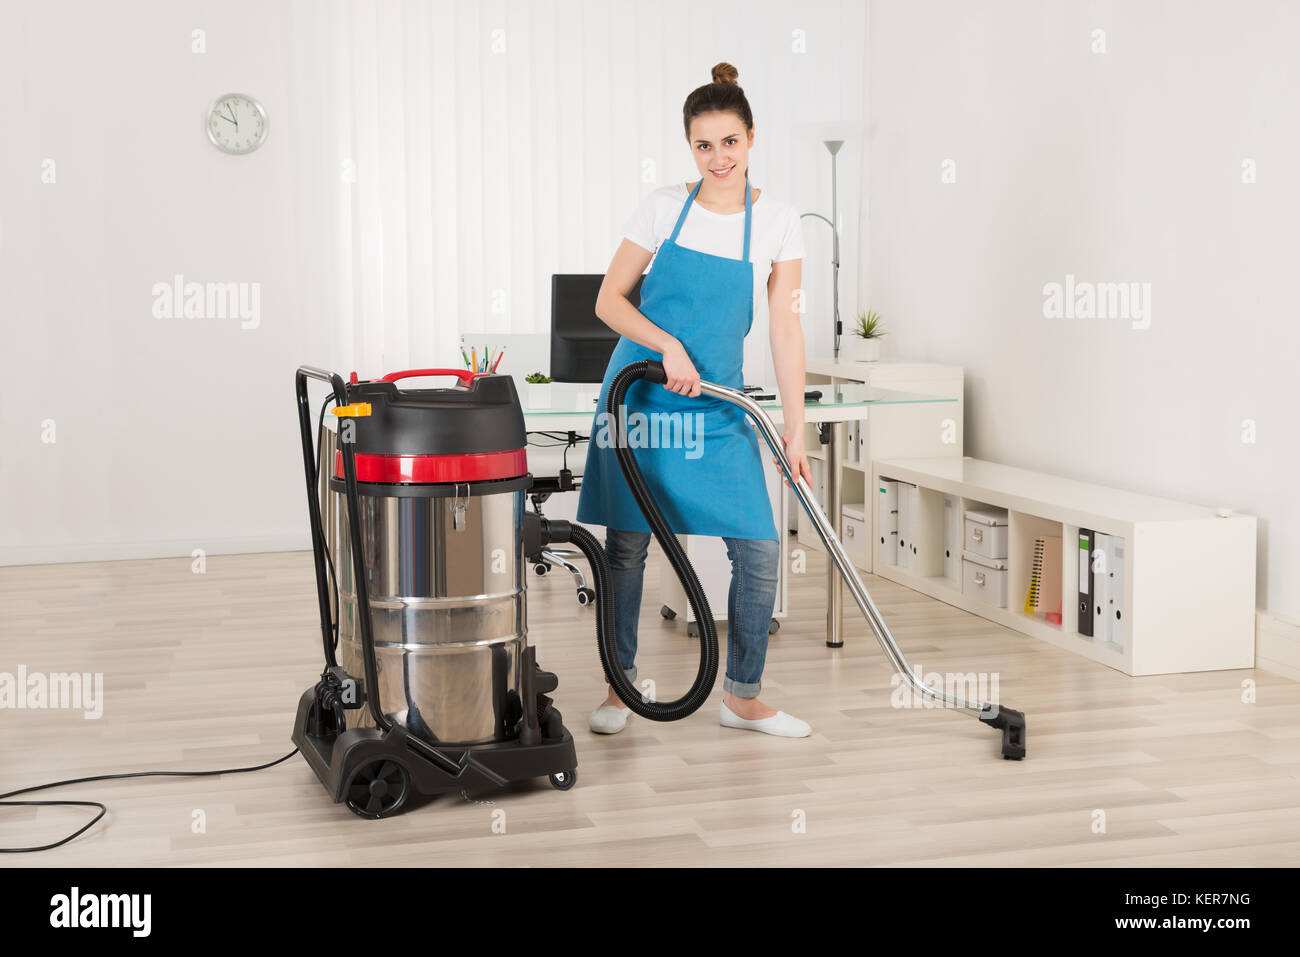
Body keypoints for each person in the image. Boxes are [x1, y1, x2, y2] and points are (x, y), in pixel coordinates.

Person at [574, 61, 814, 738]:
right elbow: (608, 301)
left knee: (759, 550)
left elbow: (785, 327)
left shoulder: (779, 221)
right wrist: (666, 345)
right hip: (642, 397)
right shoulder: (660, 206)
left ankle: (741, 695)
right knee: (627, 545)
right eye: (703, 145)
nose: (718, 158)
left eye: (729, 142)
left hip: (717, 406)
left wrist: (795, 431)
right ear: (690, 147)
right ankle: (622, 690)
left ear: (752, 137)